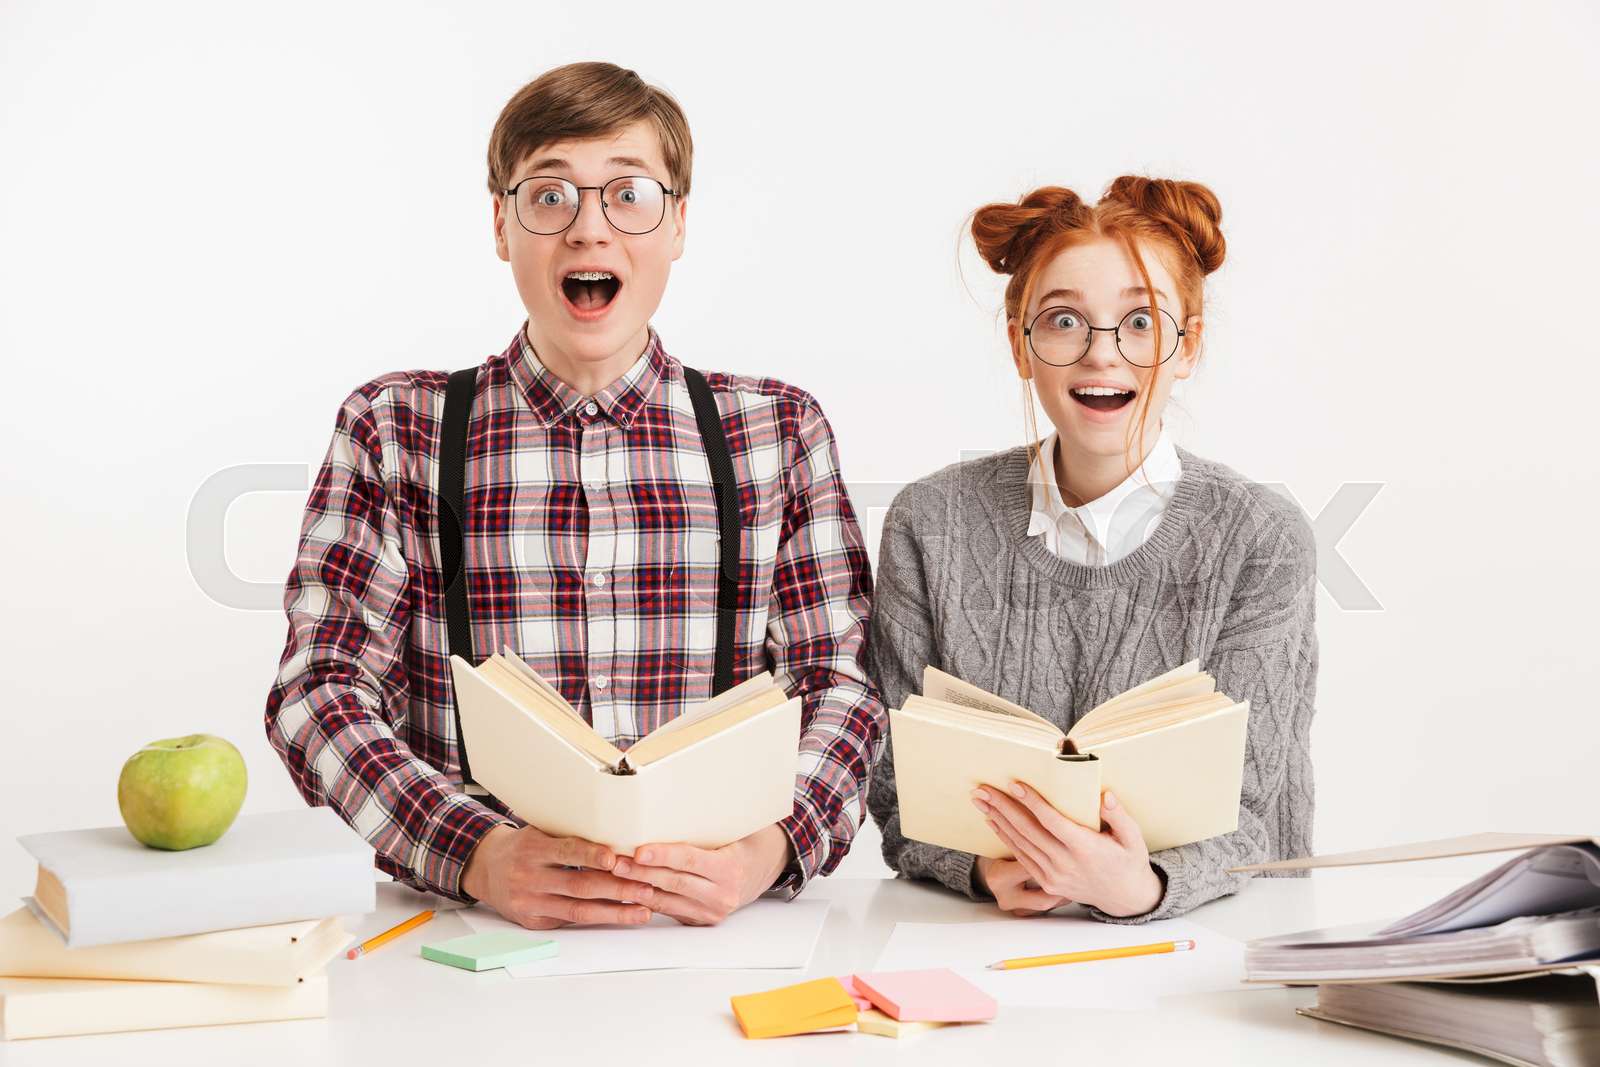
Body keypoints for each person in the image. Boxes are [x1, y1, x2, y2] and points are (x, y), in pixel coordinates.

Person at [265, 62, 884, 930]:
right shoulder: (395, 427)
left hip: (717, 938)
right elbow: (319, 688)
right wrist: (473, 853)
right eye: (550, 197)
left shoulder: (775, 431)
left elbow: (842, 681)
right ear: (500, 225)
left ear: (677, 226)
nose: (590, 230)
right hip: (466, 938)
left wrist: (766, 850)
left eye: (629, 196)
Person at [866, 177, 1318, 923]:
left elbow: (1256, 807)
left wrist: (1140, 886)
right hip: (981, 941)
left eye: (1139, 322)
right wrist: (980, 870)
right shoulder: (930, 521)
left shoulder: (1262, 538)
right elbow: (892, 784)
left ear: (1187, 346)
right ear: (1021, 345)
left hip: (1216, 942)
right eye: (1065, 321)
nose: (1101, 355)